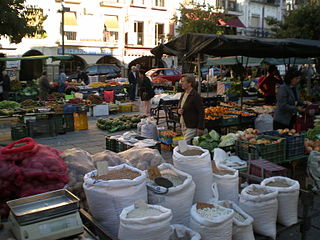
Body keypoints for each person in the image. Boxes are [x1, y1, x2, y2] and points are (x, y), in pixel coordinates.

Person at [178, 74, 205, 144]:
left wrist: (200, 127)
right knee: (188, 145)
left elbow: (201, 112)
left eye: (183, 81)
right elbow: (180, 106)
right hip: (183, 123)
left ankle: (179, 154)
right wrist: (179, 110)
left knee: (184, 145)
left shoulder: (195, 95)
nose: (181, 83)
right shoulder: (183, 94)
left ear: (189, 83)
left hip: (192, 126)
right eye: (181, 81)